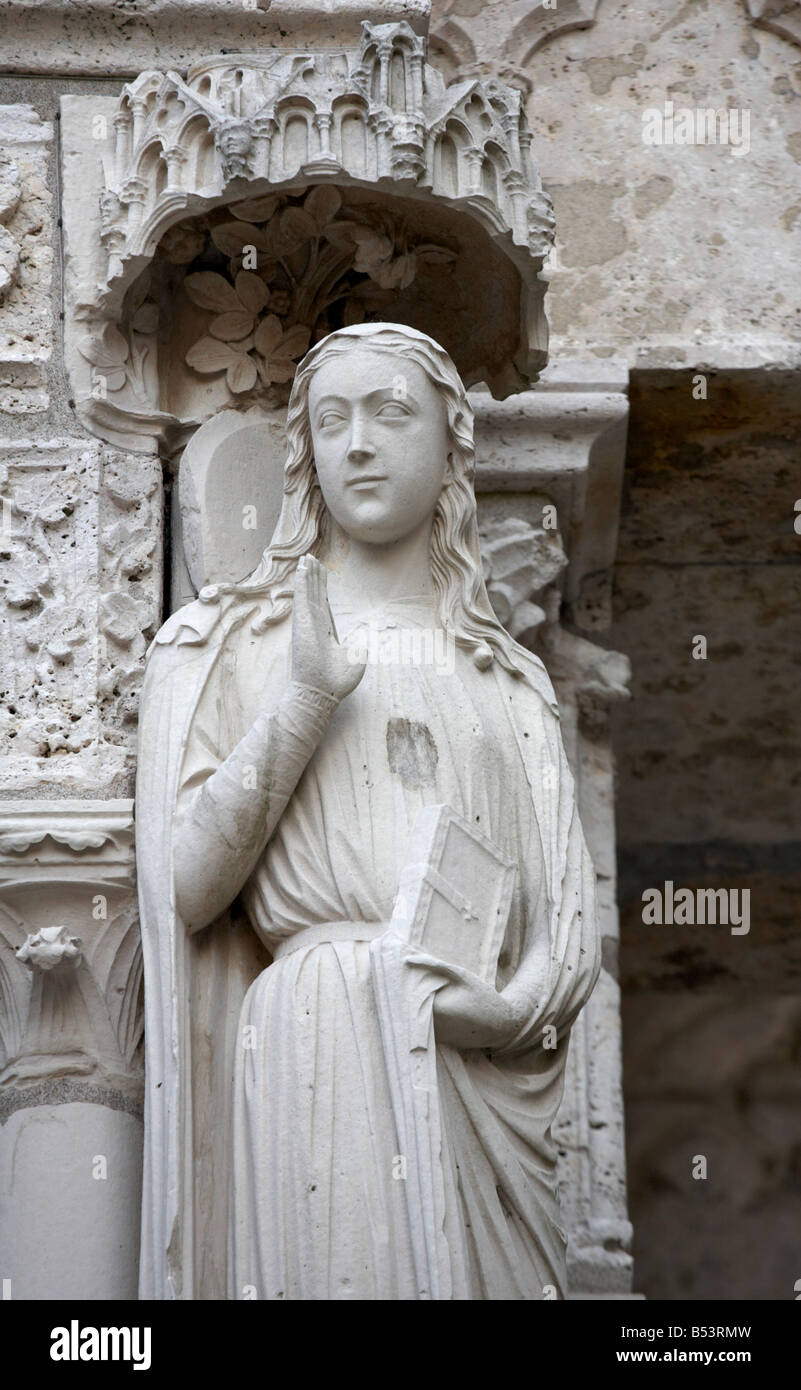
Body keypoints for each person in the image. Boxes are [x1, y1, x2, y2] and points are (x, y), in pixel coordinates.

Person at [136, 323, 600, 1300]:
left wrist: (505, 1010)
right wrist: (303, 702)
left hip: (472, 1057)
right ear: (302, 448)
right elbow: (185, 884)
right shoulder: (236, 641)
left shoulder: (505, 676)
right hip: (319, 1026)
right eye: (332, 418)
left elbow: (566, 923)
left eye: (392, 413)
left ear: (450, 446)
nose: (358, 442)